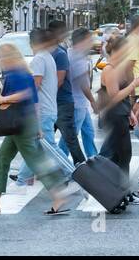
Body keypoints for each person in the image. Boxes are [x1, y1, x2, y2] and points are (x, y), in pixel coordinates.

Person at [0, 43, 74, 216]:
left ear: (7, 58)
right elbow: (35, 101)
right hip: (24, 122)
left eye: (0, 57)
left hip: (19, 124)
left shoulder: (15, 75)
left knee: (35, 161)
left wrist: (1, 99)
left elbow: (25, 95)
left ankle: (58, 195)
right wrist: (37, 125)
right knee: (2, 160)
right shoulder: (25, 73)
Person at [96, 35, 139, 206]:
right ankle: (120, 192)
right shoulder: (109, 69)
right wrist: (134, 85)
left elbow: (123, 98)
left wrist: (130, 113)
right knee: (121, 156)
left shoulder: (119, 68)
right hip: (114, 116)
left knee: (121, 156)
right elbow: (114, 96)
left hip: (121, 114)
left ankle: (122, 192)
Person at [15, 29, 60, 186]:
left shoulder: (39, 59)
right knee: (35, 146)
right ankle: (22, 178)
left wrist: (17, 97)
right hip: (48, 108)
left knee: (49, 147)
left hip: (43, 110)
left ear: (32, 43)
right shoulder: (47, 57)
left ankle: (72, 174)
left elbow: (35, 85)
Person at [46, 20, 86, 166]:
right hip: (55, 102)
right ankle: (29, 173)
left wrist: (45, 97)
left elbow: (60, 80)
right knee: (43, 139)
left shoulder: (60, 53)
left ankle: (81, 166)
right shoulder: (50, 52)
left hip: (62, 102)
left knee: (69, 139)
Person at [63, 28, 100, 160]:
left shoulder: (69, 53)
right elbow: (83, 83)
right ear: (82, 41)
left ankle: (93, 158)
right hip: (77, 103)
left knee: (88, 133)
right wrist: (93, 101)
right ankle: (60, 164)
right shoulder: (77, 57)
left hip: (79, 103)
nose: (91, 43)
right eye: (89, 40)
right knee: (70, 138)